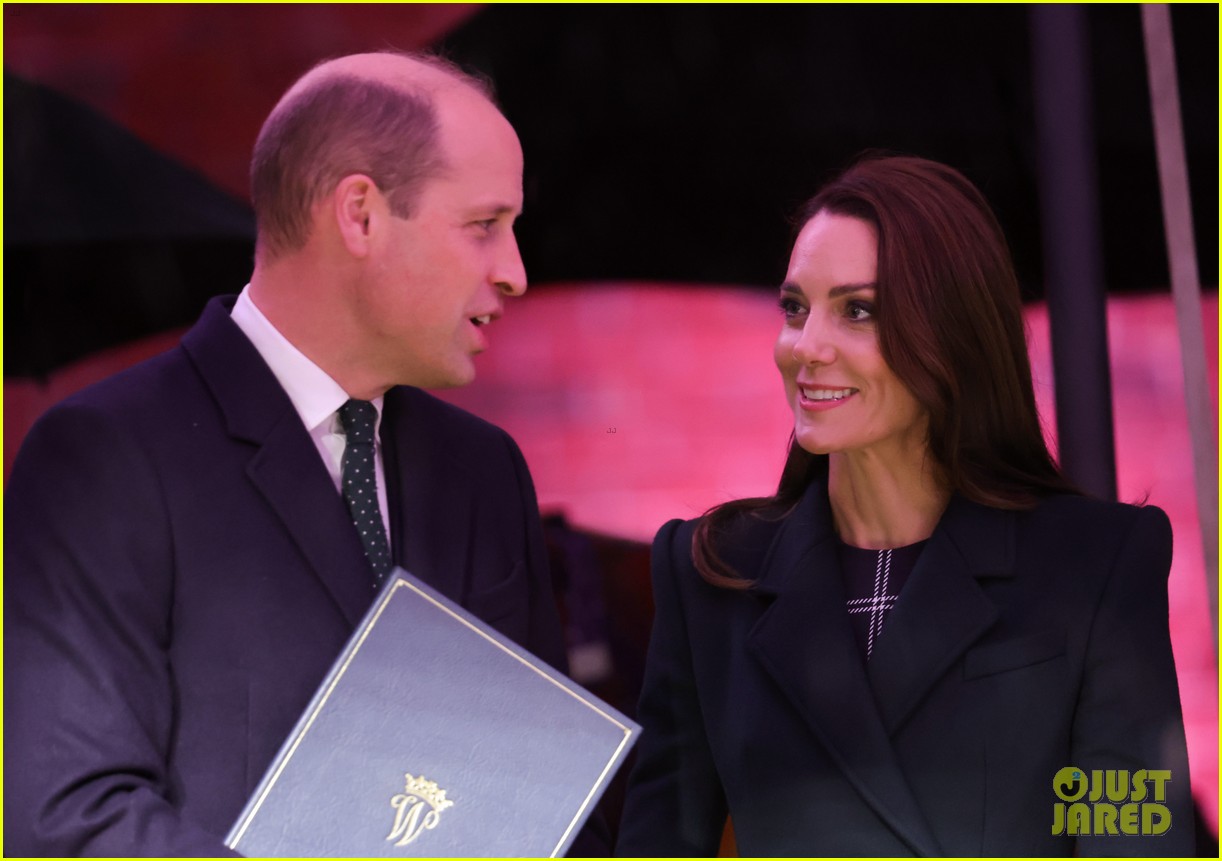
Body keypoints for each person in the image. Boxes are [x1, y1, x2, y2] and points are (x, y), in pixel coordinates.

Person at [5, 51, 586, 856]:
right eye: (485, 226)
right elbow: (65, 822)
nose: (516, 272)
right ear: (360, 214)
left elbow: (546, 795)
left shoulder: (484, 471)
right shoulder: (105, 459)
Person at [615, 155, 1194, 856]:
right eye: (796, 307)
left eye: (857, 311)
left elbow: (1133, 843)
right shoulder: (710, 572)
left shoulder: (1096, 564)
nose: (807, 347)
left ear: (952, 338)